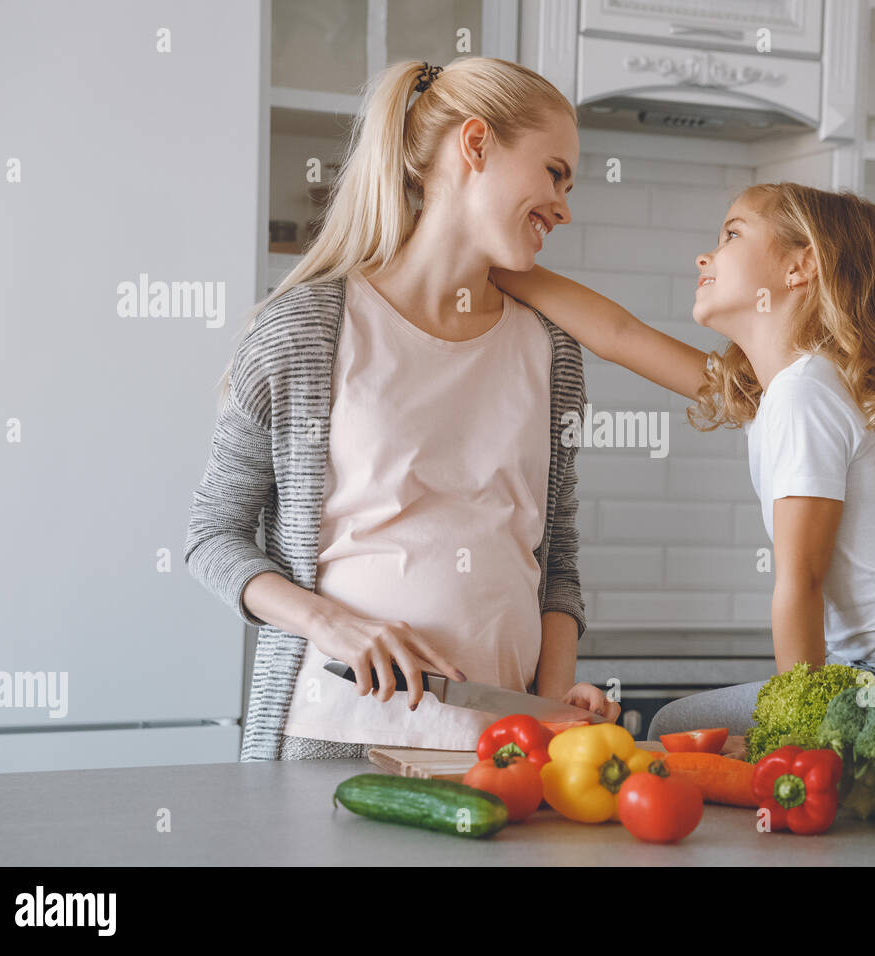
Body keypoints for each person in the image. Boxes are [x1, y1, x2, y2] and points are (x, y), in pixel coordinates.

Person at [492, 183, 875, 753]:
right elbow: (618, 336)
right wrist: (494, 265)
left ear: (800, 267)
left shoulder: (805, 394)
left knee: (686, 740)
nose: (706, 255)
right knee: (680, 733)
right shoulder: (781, 390)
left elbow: (802, 582)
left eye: (731, 233)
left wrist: (802, 739)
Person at [184, 57, 618, 762]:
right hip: (336, 736)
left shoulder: (550, 349)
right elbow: (211, 536)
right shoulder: (305, 331)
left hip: (501, 751)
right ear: (475, 145)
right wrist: (330, 624)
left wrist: (551, 710)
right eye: (554, 173)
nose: (564, 206)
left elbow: (556, 558)